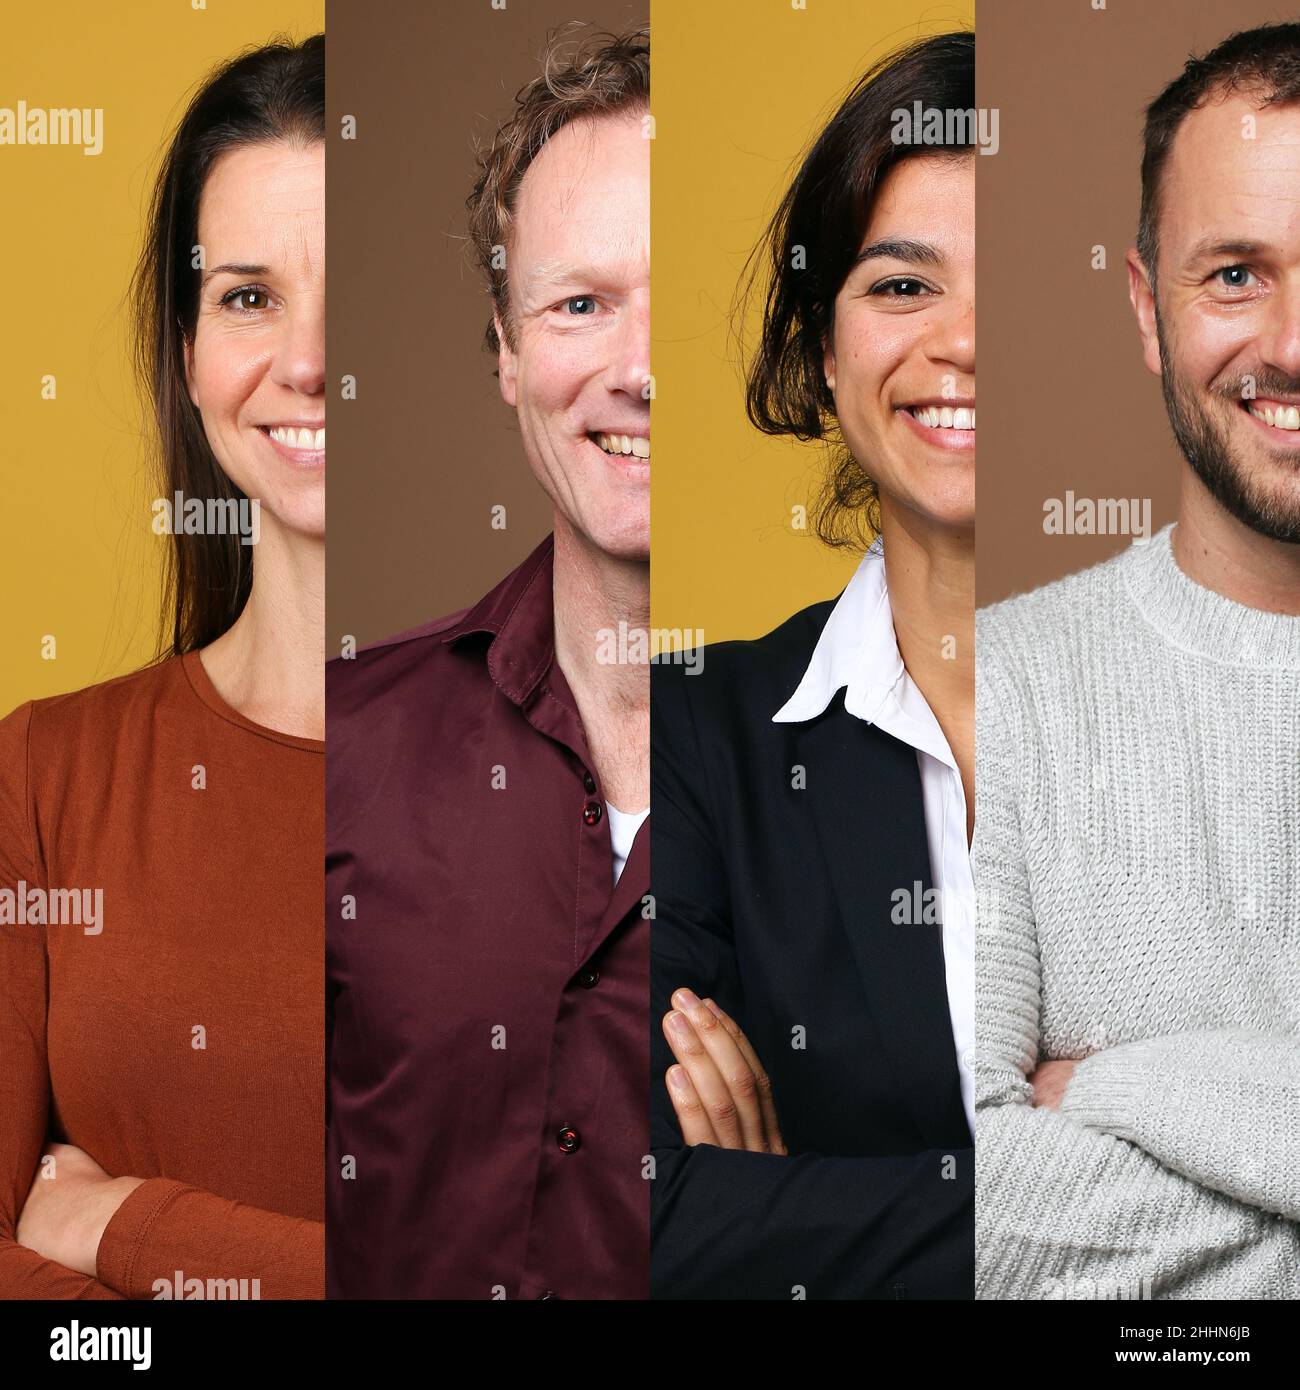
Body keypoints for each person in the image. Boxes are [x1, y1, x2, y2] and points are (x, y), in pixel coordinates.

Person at [975, 21, 1300, 1300]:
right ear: (1143, 307)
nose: (1288, 341)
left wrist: (1115, 1087)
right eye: (1234, 274)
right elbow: (962, 1207)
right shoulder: (989, 694)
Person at [325, 26, 650, 1301]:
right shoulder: (345, 747)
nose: (637, 370)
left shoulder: (912, 763)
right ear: (507, 353)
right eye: (581, 304)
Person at [651, 31, 975, 1299]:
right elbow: (651, 1212)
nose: (961, 342)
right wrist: (1097, 1187)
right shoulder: (693, 737)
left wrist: (798, 1222)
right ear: (824, 347)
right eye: (902, 286)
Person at [0, 36, 325, 1300]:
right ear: (188, 356)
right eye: (249, 296)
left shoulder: (585, 780)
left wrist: (134, 1228)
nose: (305, 360)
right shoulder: (46, 772)